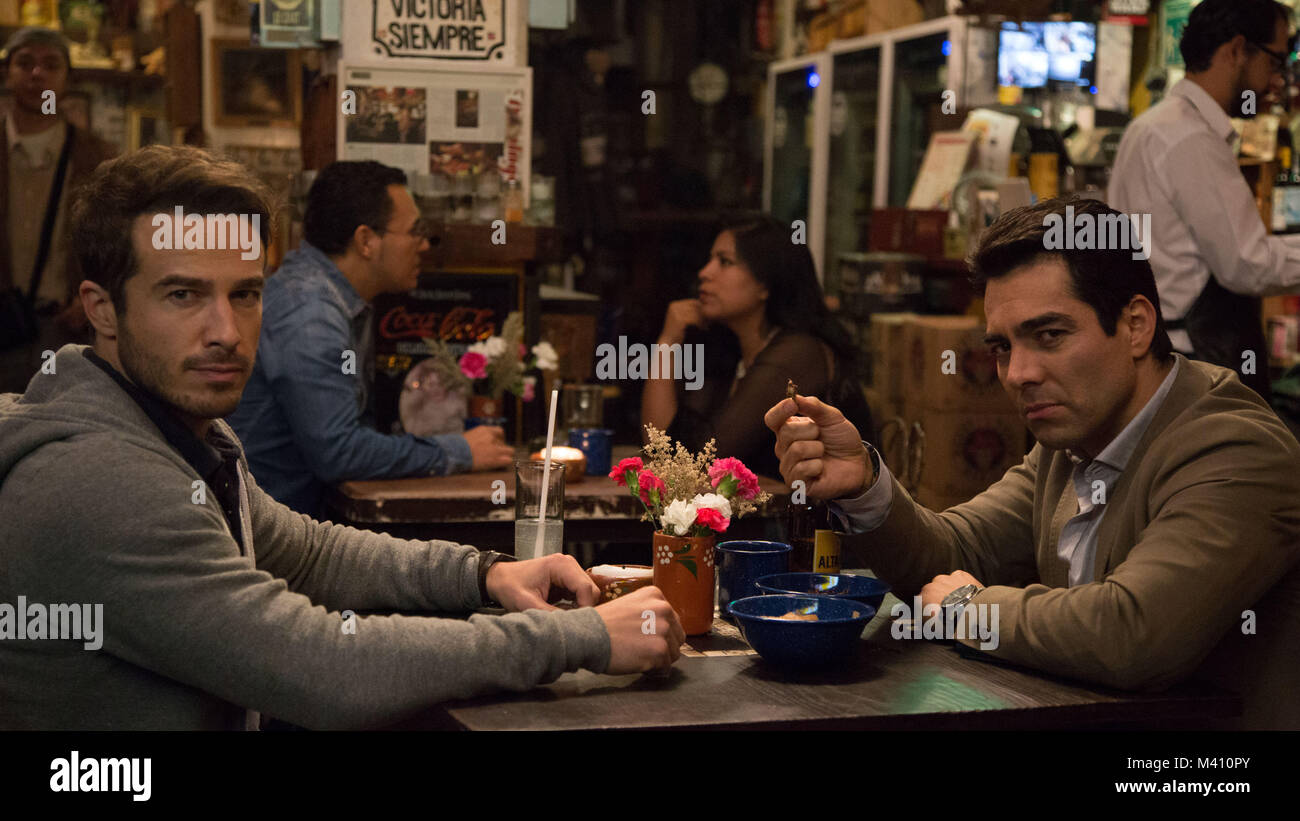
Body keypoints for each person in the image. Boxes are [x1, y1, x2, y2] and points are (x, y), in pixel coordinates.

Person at [0, 146, 684, 730]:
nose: (227, 332)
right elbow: (322, 665)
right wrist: (576, 636)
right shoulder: (99, 479)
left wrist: (486, 573)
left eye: (244, 293)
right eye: (182, 295)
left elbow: (310, 552)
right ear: (100, 309)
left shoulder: (180, 431)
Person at [766, 197, 1300, 729]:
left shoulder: (1236, 448)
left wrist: (968, 609)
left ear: (1136, 325)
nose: (1018, 373)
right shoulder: (1070, 440)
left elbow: (1135, 633)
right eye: (1002, 347)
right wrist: (862, 482)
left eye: (1050, 336)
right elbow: (952, 552)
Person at [227, 160, 513, 517]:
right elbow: (339, 452)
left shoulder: (331, 295)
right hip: (269, 540)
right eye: (415, 231)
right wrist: (459, 451)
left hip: (296, 522)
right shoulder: (312, 311)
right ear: (366, 241)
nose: (425, 244)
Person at [1109, 0, 1298, 400]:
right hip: (1197, 367)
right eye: (1275, 61)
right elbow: (1247, 264)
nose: (1277, 81)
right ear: (1236, 50)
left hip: (1163, 356)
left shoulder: (1150, 127)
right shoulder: (1191, 137)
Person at [642, 215, 873, 479]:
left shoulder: (798, 354)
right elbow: (662, 452)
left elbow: (700, 466)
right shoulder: (731, 350)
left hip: (824, 519)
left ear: (765, 284)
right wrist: (667, 341)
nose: (704, 272)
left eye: (725, 262)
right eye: (710, 259)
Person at [0, 26, 115, 393]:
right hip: (2, 322)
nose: (37, 74)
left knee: (58, 425)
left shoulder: (97, 157)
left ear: (68, 79)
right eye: (25, 63)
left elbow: (118, 239)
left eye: (51, 65)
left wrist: (98, 294)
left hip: (65, 326)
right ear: (8, 73)